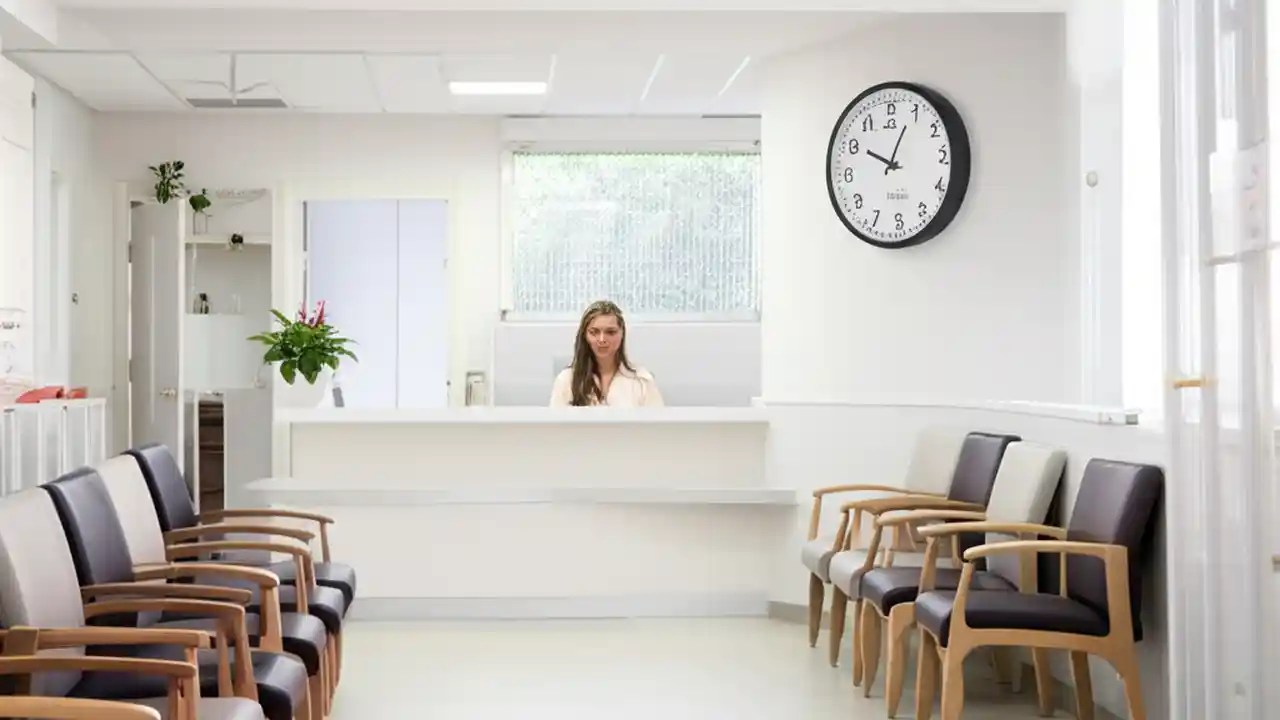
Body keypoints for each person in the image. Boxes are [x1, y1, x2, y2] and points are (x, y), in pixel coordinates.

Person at [550, 300, 664, 407]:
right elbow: (554, 426)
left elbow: (658, 426)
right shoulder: (567, 380)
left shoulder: (641, 380)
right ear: (585, 336)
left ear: (622, 334)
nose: (602, 339)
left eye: (610, 332)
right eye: (594, 332)